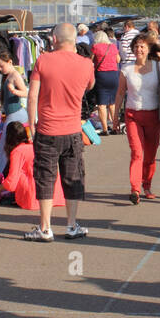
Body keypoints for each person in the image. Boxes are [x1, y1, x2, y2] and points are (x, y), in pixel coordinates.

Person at [24, 22, 94, 242]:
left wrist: (31, 123)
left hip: (47, 129)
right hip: (72, 129)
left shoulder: (43, 60)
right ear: (75, 40)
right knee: (72, 177)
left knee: (45, 178)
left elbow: (32, 95)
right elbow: (90, 86)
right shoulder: (86, 64)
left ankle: (45, 227)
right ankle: (71, 225)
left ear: (54, 39)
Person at [115, 34, 160, 203]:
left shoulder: (159, 67)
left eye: (142, 46)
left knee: (150, 155)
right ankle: (135, 189)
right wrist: (115, 117)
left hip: (154, 116)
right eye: (136, 46)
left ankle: (147, 185)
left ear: (148, 48)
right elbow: (120, 93)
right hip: (132, 115)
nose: (139, 49)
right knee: (137, 153)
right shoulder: (126, 69)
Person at [0, 122, 66, 209]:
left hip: (33, 198)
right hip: (56, 195)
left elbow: (12, 182)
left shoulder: (18, 151)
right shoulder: (37, 146)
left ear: (8, 138)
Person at [90, 30, 121, 135]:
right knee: (112, 103)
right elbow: (118, 60)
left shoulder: (95, 47)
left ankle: (104, 129)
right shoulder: (112, 46)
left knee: (102, 104)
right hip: (114, 75)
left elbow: (91, 61)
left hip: (101, 76)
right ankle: (115, 127)